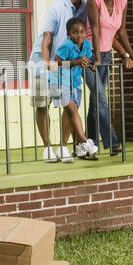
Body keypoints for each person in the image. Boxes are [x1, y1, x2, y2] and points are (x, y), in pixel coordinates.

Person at [28, 0, 89, 162]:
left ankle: (63, 147)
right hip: (43, 60)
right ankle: (47, 148)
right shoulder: (56, 7)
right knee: (42, 104)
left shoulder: (87, 7)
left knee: (70, 105)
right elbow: (47, 38)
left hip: (67, 64)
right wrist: (47, 64)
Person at [85, 0, 133, 156]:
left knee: (96, 102)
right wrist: (97, 57)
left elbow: (122, 31)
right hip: (90, 56)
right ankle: (113, 143)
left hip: (107, 55)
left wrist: (132, 56)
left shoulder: (122, 1)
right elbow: (94, 29)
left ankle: (90, 146)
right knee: (101, 99)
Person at [54, 18, 99, 159]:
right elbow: (56, 62)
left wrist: (91, 63)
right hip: (61, 81)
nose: (78, 35)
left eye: (81, 32)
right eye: (74, 32)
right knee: (72, 110)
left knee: (70, 114)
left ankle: (67, 147)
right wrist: (75, 62)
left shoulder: (86, 44)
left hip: (76, 83)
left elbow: (89, 58)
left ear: (86, 33)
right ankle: (85, 142)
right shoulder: (66, 45)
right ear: (68, 34)